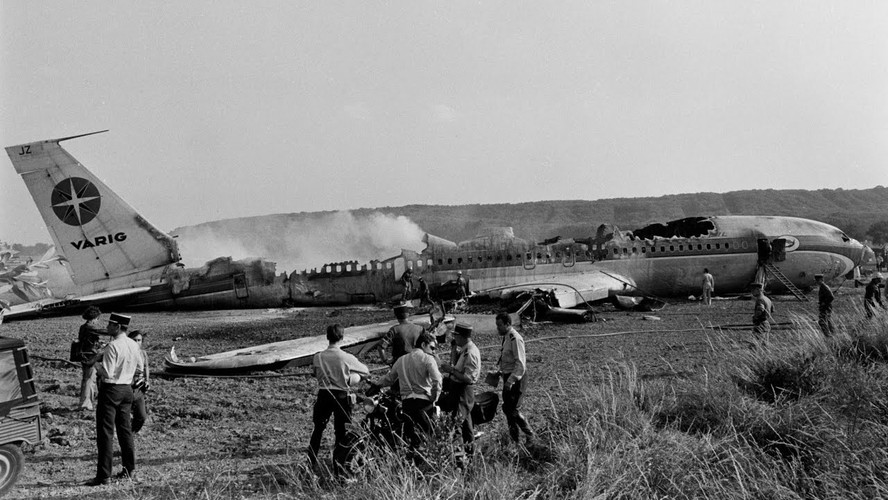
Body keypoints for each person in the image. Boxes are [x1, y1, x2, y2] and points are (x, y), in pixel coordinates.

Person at [86, 313, 143, 486]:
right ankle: (129, 469)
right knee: (125, 431)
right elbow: (139, 367)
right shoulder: (134, 344)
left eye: (111, 325)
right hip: (127, 389)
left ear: (117, 327)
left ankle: (104, 475)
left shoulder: (112, 346)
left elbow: (108, 373)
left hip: (111, 390)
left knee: (105, 432)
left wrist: (95, 362)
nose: (108, 328)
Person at [308, 324, 370, 476]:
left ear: (327, 337)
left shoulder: (318, 356)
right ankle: (338, 466)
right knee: (341, 432)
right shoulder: (346, 357)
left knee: (317, 430)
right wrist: (353, 376)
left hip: (324, 394)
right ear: (342, 338)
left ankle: (310, 463)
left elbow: (315, 373)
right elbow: (366, 371)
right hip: (341, 396)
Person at [373, 332, 442, 450]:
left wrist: (376, 383)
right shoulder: (428, 359)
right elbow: (437, 380)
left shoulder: (401, 360)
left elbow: (389, 379)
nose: (433, 351)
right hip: (424, 402)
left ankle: (411, 459)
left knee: (411, 437)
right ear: (423, 344)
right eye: (432, 347)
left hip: (407, 403)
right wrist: (434, 397)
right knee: (427, 437)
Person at [440, 323, 481, 453]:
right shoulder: (464, 350)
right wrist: (453, 350)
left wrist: (451, 371)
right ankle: (469, 454)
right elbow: (456, 364)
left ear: (461, 336)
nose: (454, 339)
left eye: (455, 336)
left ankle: (461, 457)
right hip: (458, 389)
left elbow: (468, 378)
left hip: (462, 391)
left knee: (457, 423)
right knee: (465, 424)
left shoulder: (470, 353)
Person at [495, 312, 534, 444]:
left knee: (512, 409)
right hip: (508, 376)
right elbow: (507, 359)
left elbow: (520, 364)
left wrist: (511, 381)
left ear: (507, 324)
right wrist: (500, 372)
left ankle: (530, 434)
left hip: (517, 378)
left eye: (500, 325)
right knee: (507, 408)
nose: (497, 328)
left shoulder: (515, 339)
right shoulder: (506, 337)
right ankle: (514, 440)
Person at [77, 306, 105, 412]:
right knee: (89, 379)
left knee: (88, 378)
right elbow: (103, 331)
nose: (98, 321)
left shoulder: (83, 327)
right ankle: (86, 404)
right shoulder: (90, 327)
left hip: (85, 355)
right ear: (94, 318)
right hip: (90, 356)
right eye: (98, 318)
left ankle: (86, 402)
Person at [127, 330, 150, 434]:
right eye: (134, 340)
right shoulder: (126, 353)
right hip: (127, 386)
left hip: (139, 386)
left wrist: (147, 380)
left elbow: (146, 367)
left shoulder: (143, 353)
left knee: (141, 415)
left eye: (139, 340)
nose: (136, 342)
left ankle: (132, 433)